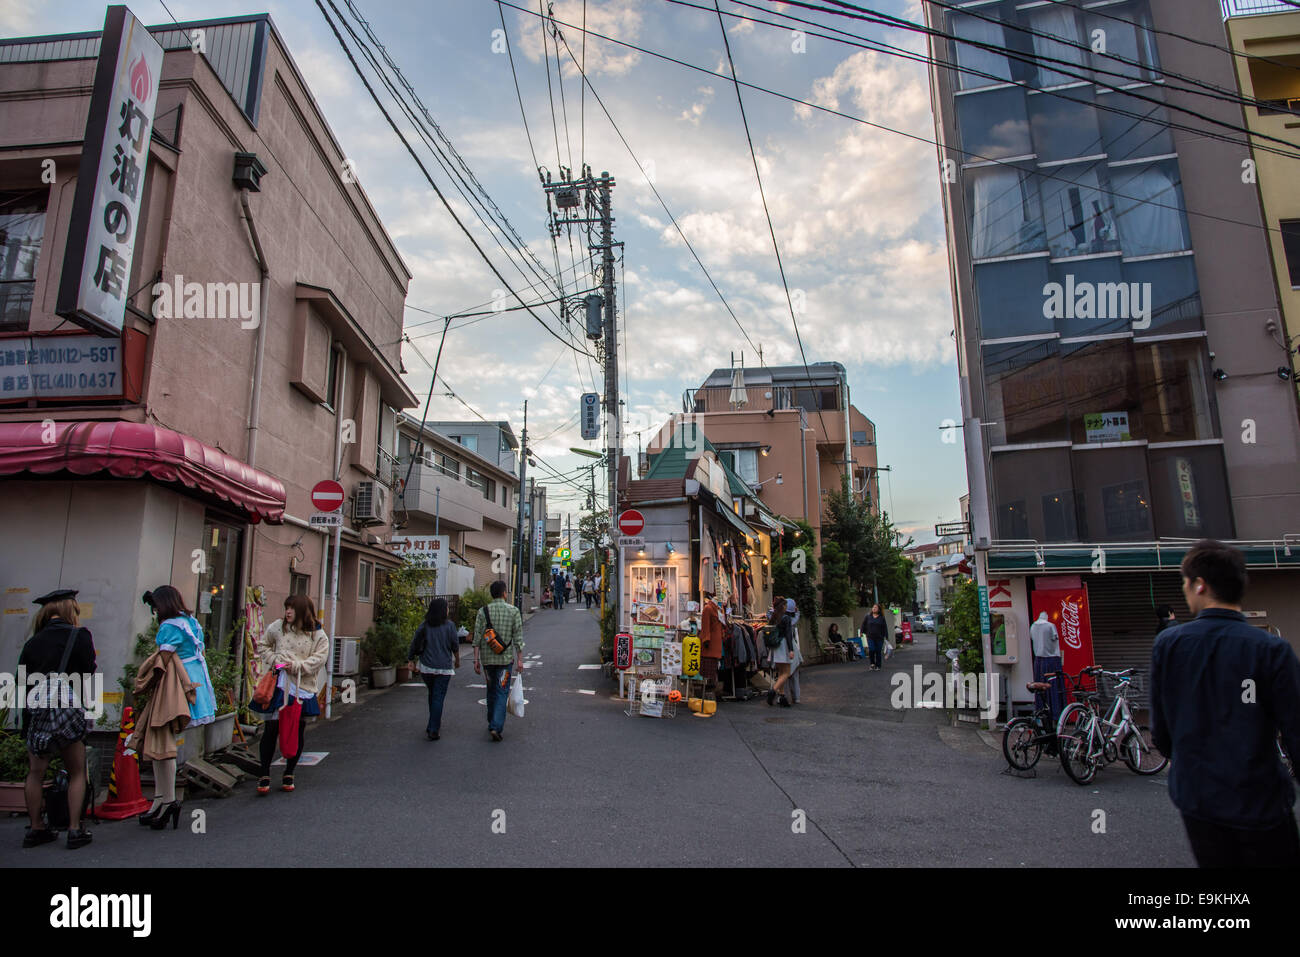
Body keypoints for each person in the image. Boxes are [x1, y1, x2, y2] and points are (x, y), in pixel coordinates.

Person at [1151, 539, 1300, 867]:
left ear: (1200, 585)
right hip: (1261, 800)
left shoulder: (1169, 644)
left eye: (1186, 582)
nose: (1185, 589)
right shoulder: (1272, 649)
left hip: (1198, 799)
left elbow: (1161, 733)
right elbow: (1295, 732)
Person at [18, 589, 96, 850]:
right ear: (69, 610)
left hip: (37, 711)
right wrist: (90, 711)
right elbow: (88, 674)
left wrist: (25, 724)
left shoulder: (33, 642)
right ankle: (74, 830)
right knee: (76, 772)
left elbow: (21, 683)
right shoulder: (80, 636)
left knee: (35, 774)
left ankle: (36, 829)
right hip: (67, 711)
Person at [251, 594, 329, 794]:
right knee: (271, 728)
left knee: (296, 728)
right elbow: (262, 645)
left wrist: (296, 665)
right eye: (286, 607)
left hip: (302, 686)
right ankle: (264, 773)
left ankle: (289, 771)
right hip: (279, 684)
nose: (287, 612)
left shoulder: (317, 635)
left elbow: (319, 659)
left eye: (292, 608)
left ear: (303, 610)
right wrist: (275, 659)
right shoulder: (278, 627)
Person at [473, 580, 524, 741]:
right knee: (502, 691)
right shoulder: (513, 611)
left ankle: (491, 721)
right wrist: (520, 659)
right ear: (504, 593)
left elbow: (477, 637)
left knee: (491, 690)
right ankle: (496, 726)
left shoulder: (483, 611)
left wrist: (475, 660)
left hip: (487, 660)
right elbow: (518, 638)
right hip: (505, 660)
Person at [408, 597, 460, 740]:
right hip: (443, 668)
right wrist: (457, 661)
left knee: (433, 694)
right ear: (443, 610)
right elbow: (455, 645)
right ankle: (433, 729)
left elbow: (415, 642)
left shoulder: (425, 625)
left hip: (426, 667)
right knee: (438, 696)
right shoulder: (449, 626)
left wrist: (410, 659)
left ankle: (432, 723)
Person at [1030, 610, 1065, 720]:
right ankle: (1056, 714)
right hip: (1052, 659)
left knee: (1040, 688)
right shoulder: (1050, 626)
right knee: (1054, 687)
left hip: (1038, 661)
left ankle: (1041, 713)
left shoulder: (1033, 626)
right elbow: (1054, 639)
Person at [862, 604, 888, 670]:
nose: (874, 608)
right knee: (872, 649)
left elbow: (885, 627)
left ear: (879, 609)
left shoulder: (881, 618)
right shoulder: (868, 616)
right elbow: (863, 624)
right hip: (870, 637)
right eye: (873, 607)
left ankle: (878, 665)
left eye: (876, 607)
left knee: (878, 651)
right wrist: (862, 632)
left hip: (879, 637)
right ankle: (872, 663)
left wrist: (886, 636)